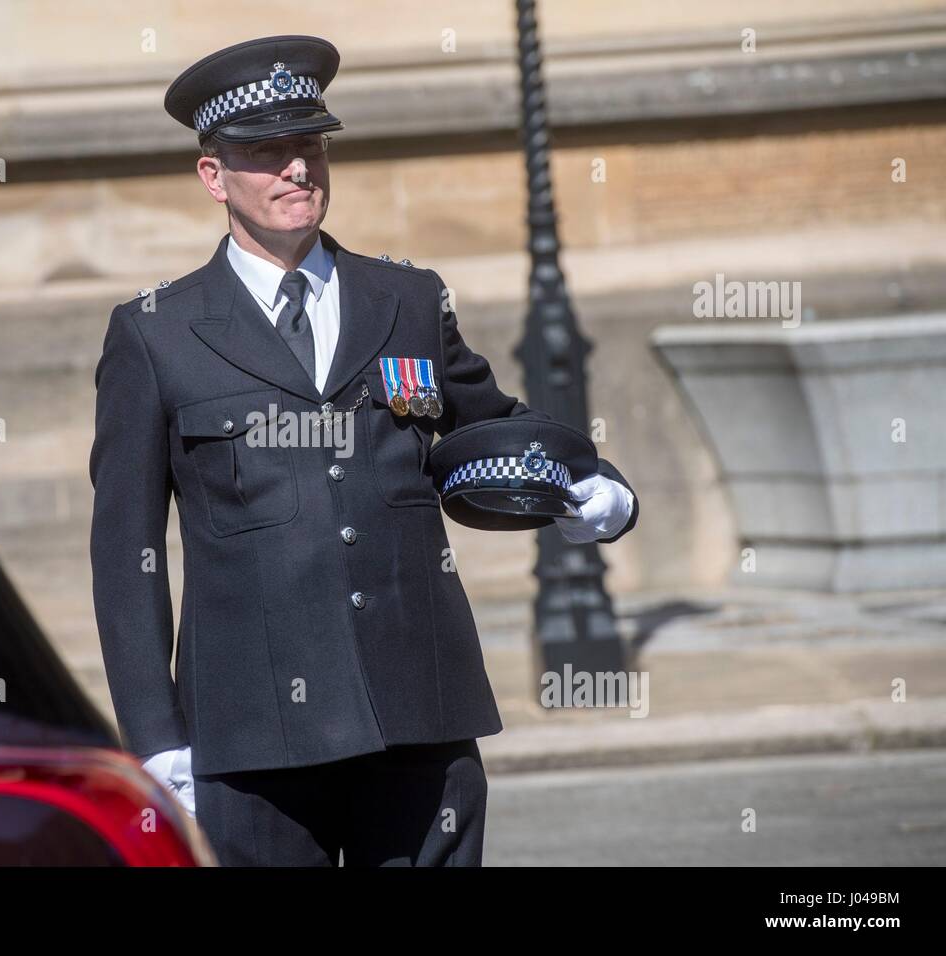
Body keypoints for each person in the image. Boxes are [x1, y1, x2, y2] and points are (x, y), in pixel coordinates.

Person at [89, 34, 638, 866]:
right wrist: (156, 737)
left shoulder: (406, 299)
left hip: (418, 711)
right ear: (214, 176)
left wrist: (593, 482)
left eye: (308, 146)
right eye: (266, 152)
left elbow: (491, 421)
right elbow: (125, 551)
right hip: (252, 736)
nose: (296, 170)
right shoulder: (157, 334)